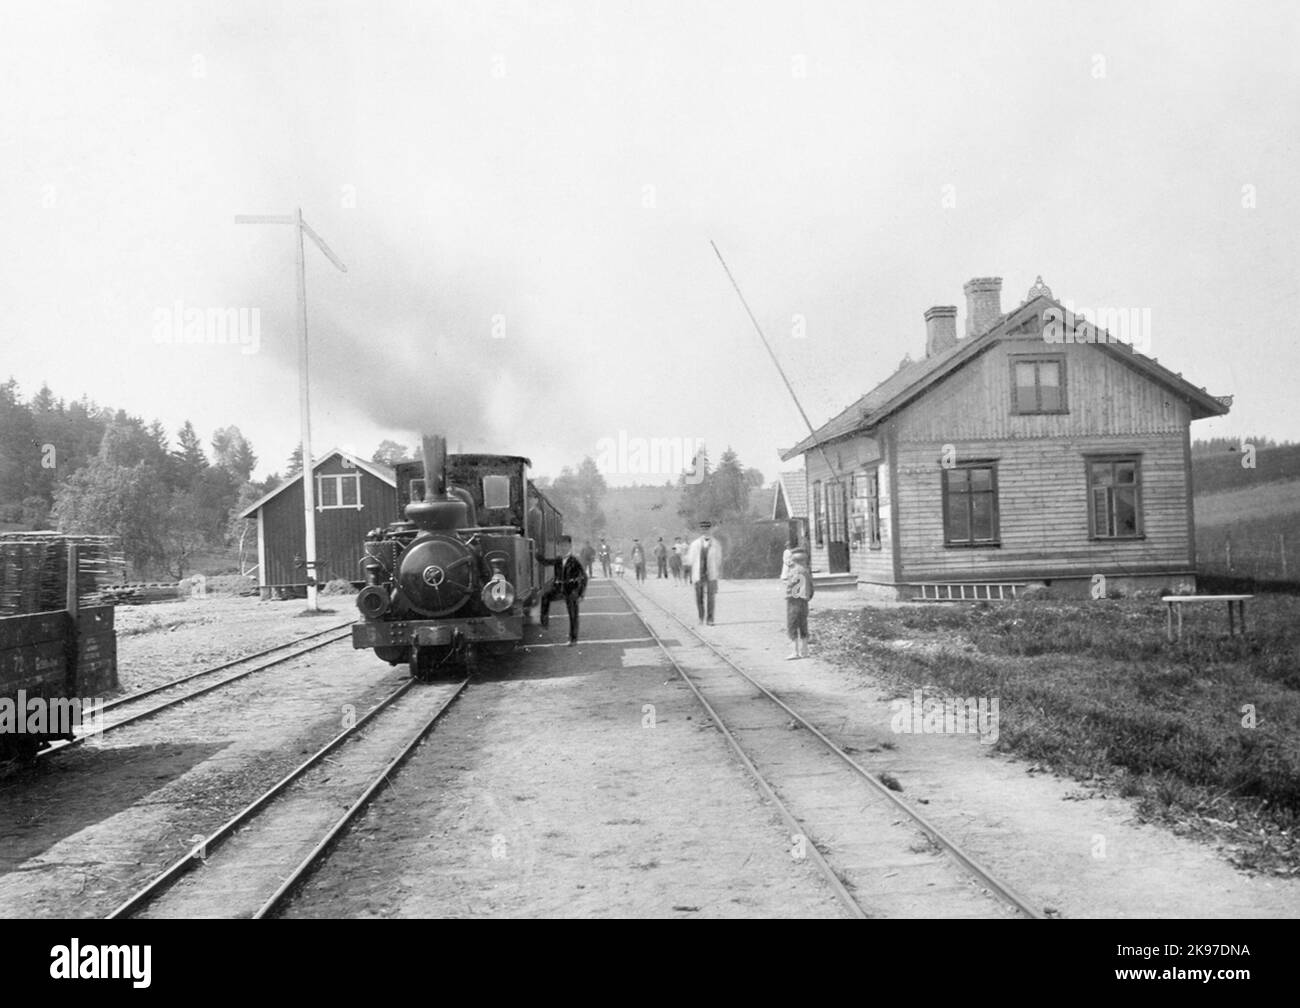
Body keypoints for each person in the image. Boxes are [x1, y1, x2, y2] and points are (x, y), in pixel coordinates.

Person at [541, 534, 588, 646]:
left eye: (565, 546)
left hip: (571, 591)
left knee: (573, 614)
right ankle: (544, 622)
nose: (563, 548)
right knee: (545, 597)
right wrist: (536, 556)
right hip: (559, 589)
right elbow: (546, 562)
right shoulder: (558, 560)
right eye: (561, 546)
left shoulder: (574, 561)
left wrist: (580, 593)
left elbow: (584, 577)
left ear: (570, 546)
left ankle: (573, 639)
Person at [686, 521, 723, 625]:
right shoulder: (695, 544)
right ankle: (701, 617)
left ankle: (710, 619)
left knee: (711, 597)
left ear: (710, 529)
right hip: (698, 573)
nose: (705, 531)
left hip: (711, 573)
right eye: (703, 529)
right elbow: (690, 559)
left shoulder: (716, 544)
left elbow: (719, 559)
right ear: (700, 530)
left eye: (707, 529)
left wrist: (714, 569)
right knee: (699, 596)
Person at [784, 547, 814, 659]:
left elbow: (791, 586)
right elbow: (811, 588)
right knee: (803, 625)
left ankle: (795, 651)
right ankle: (805, 650)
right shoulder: (806, 571)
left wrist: (788, 593)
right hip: (804, 601)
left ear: (794, 560)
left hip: (793, 601)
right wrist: (807, 597)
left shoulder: (794, 571)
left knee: (792, 625)